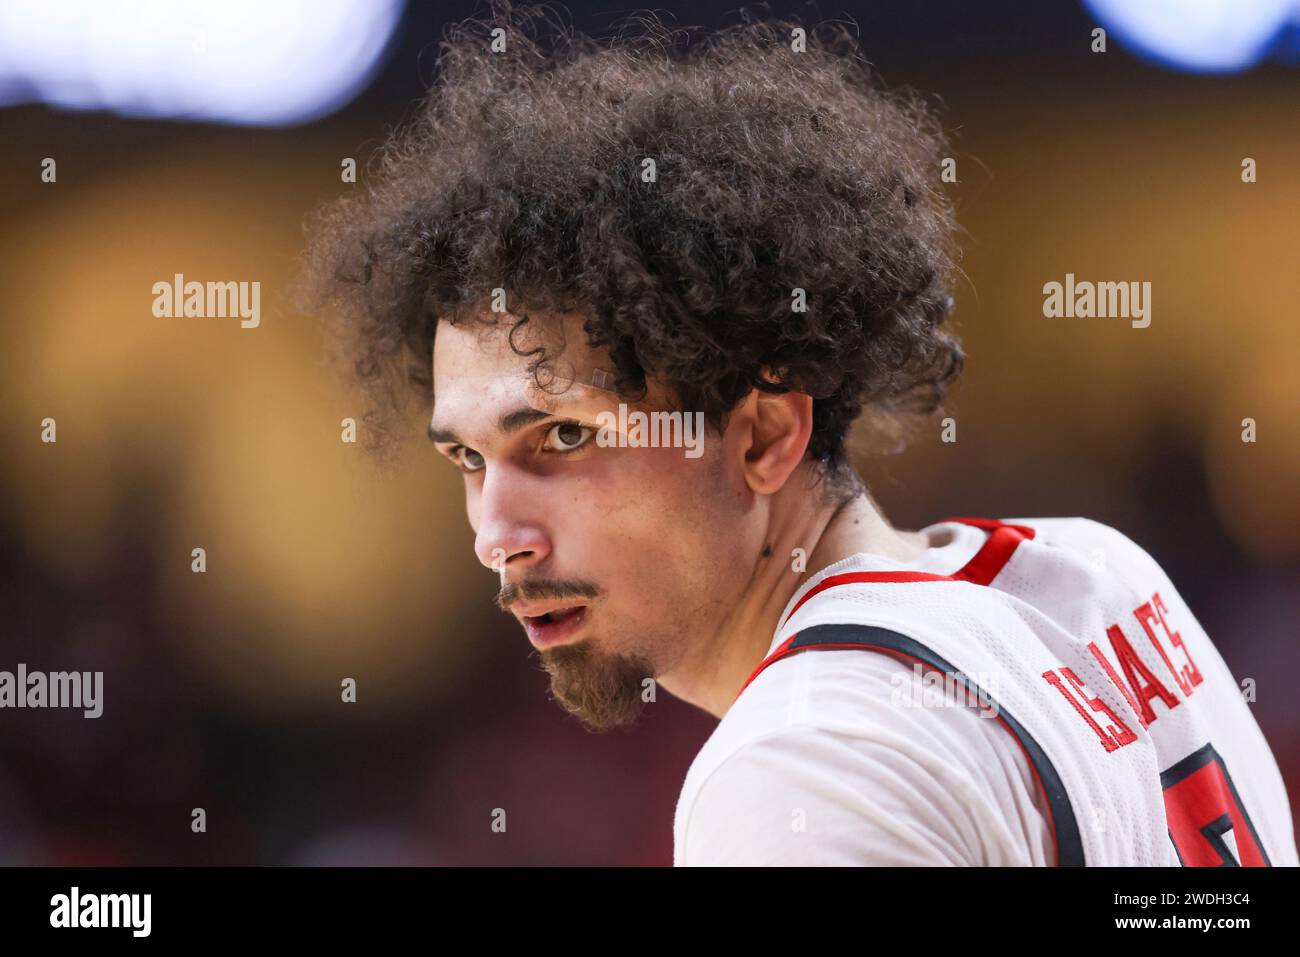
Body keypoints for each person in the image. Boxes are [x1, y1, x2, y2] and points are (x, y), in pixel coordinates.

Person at [303, 3, 1298, 866]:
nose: (495, 532)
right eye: (467, 459)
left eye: (562, 438)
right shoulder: (1095, 578)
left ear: (764, 438)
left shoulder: (806, 763)